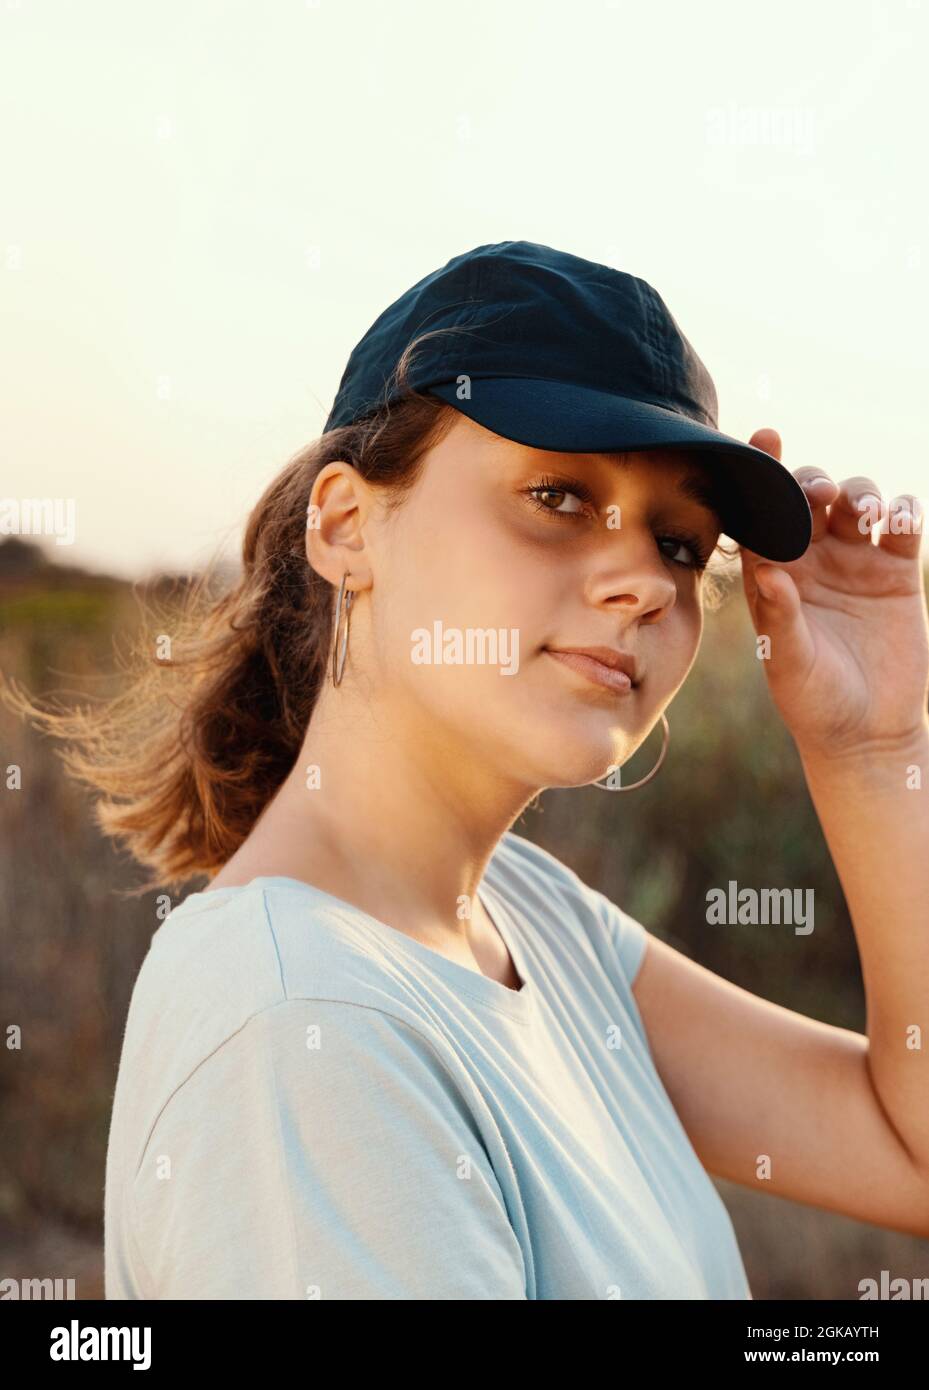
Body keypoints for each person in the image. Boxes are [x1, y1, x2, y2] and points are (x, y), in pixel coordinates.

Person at [8, 241, 928, 1299]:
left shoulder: (531, 920)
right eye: (555, 495)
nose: (639, 577)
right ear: (346, 526)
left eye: (679, 542)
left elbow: (907, 1150)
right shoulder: (306, 1023)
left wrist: (871, 748)